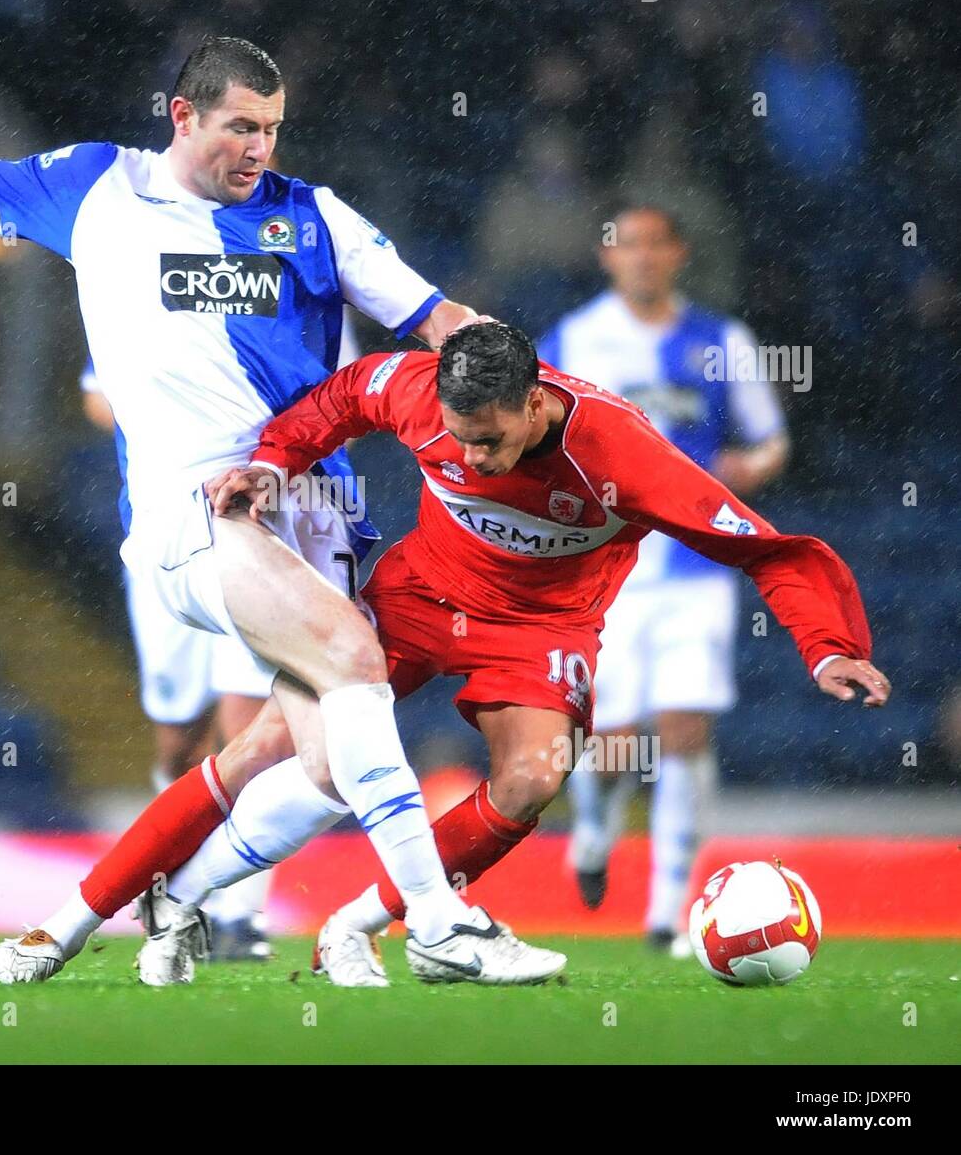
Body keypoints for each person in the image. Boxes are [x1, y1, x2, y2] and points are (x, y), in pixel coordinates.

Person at [0, 36, 542, 985]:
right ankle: (437, 920)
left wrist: (537, 390)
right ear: (183, 115)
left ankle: (108, 916)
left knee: (323, 759)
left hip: (317, 520)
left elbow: (439, 320)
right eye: (240, 127)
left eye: (273, 130)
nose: (260, 149)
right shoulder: (98, 186)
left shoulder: (315, 218)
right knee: (350, 662)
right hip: (200, 515)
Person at [122, 321, 888, 986]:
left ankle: (366, 924)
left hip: (542, 626)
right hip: (423, 593)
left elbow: (765, 548)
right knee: (274, 738)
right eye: (459, 437)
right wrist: (275, 459)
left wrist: (830, 647)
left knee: (531, 779)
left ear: (534, 403)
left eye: (487, 440)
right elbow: (346, 395)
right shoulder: (422, 390)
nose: (472, 456)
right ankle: (174, 896)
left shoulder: (623, 452)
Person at [536, 204, 790, 953]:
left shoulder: (722, 340)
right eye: (628, 245)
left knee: (684, 726)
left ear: (678, 253)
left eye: (656, 243)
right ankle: (591, 826)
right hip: (609, 566)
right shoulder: (575, 339)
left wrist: (751, 466)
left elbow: (769, 438)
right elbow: (536, 437)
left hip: (696, 562)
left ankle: (670, 914)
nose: (643, 257)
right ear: (606, 256)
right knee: (612, 741)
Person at [80, 356, 272, 959]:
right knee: (180, 738)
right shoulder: (147, 293)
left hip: (260, 533)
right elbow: (96, 396)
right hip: (165, 539)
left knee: (252, 733)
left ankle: (240, 916)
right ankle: (170, 882)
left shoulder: (277, 291)